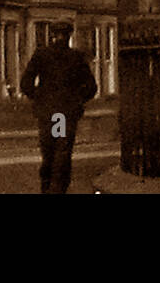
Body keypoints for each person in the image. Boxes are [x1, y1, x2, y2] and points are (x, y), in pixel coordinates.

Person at [19, 21, 97, 194]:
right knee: (61, 152)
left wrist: (38, 97)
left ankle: (47, 187)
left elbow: (25, 83)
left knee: (49, 152)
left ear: (52, 35)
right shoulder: (75, 57)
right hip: (64, 114)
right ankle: (57, 189)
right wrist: (78, 100)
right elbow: (91, 87)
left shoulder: (42, 55)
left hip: (48, 112)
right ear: (69, 36)